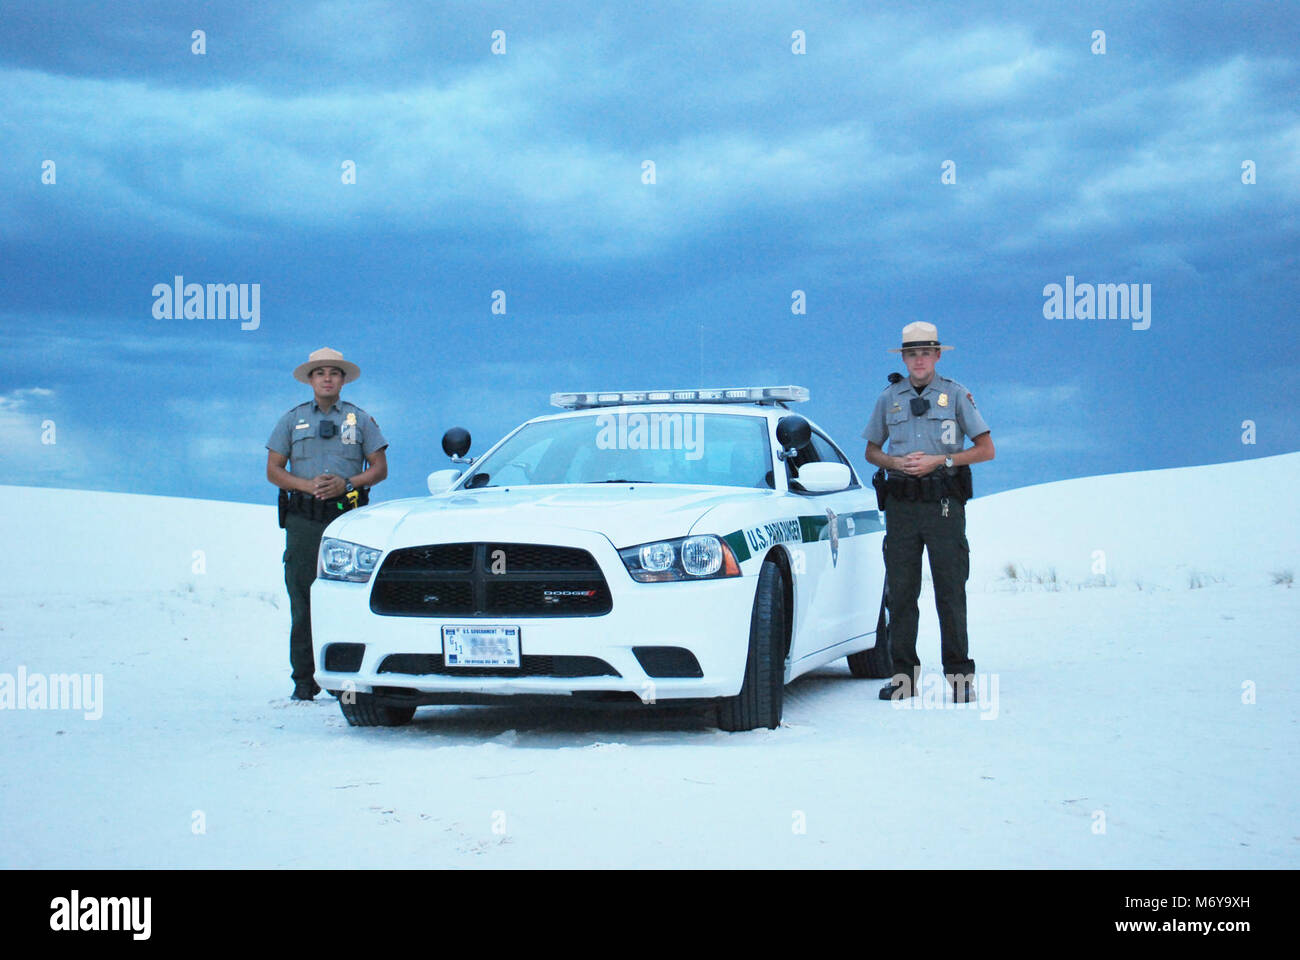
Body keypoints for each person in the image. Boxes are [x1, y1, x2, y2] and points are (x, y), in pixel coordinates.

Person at [862, 322, 994, 703]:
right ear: (903, 358)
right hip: (901, 506)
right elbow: (872, 450)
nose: (919, 359)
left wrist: (943, 459)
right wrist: (894, 463)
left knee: (950, 591)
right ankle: (903, 677)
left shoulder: (954, 396)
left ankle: (959, 679)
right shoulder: (889, 398)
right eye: (912, 353)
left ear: (937, 355)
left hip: (943, 506)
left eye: (926, 352)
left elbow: (986, 449)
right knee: (901, 594)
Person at [266, 348, 388, 700]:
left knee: (347, 595)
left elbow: (379, 468)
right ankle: (304, 681)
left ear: (343, 380)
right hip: (303, 520)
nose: (327, 378)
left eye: (334, 372)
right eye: (320, 373)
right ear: (310, 379)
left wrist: (347, 483)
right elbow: (273, 469)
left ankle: (344, 677)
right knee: (303, 597)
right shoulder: (291, 420)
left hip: (347, 519)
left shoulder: (360, 420)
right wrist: (305, 485)